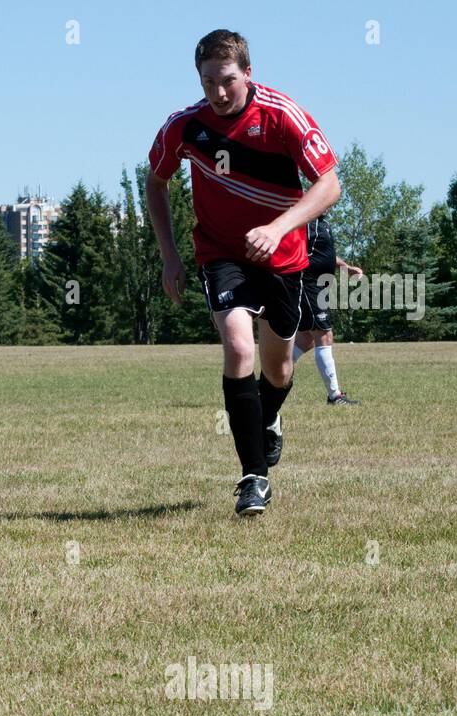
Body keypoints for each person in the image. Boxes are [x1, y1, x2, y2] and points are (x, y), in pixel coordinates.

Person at [145, 29, 341, 516]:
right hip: (220, 252)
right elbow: (156, 183)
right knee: (238, 346)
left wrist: (279, 227)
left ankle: (268, 418)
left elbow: (329, 184)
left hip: (284, 257)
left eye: (228, 80)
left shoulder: (281, 115)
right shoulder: (185, 127)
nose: (218, 91)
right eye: (208, 81)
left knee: (278, 367)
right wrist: (170, 254)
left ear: (248, 73)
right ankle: (254, 477)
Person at [294, 216, 362, 404]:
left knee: (306, 339)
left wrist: (344, 267)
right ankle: (335, 396)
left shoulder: (322, 223)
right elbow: (294, 248)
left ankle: (269, 379)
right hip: (308, 284)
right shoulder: (306, 221)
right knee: (324, 334)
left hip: (317, 286)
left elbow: (325, 254)